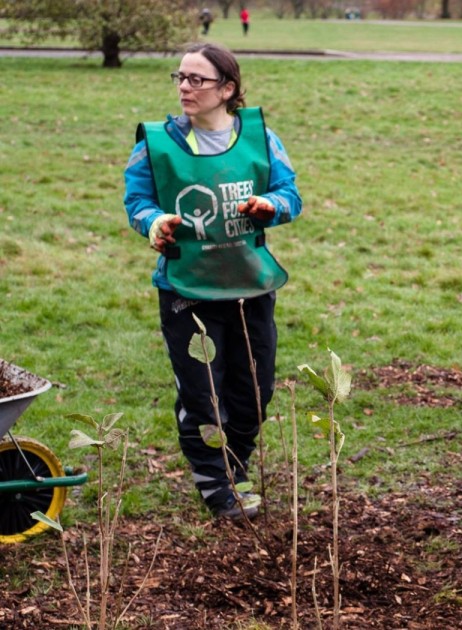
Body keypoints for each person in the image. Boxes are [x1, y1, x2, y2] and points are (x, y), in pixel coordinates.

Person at [123, 42, 302, 519]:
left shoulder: (262, 138)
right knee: (203, 394)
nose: (185, 87)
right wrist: (154, 221)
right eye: (180, 77)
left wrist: (272, 207)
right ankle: (216, 486)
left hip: (250, 287)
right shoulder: (156, 143)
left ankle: (235, 466)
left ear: (228, 89)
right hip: (187, 290)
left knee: (255, 393)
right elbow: (136, 201)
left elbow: (290, 194)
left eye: (197, 80)